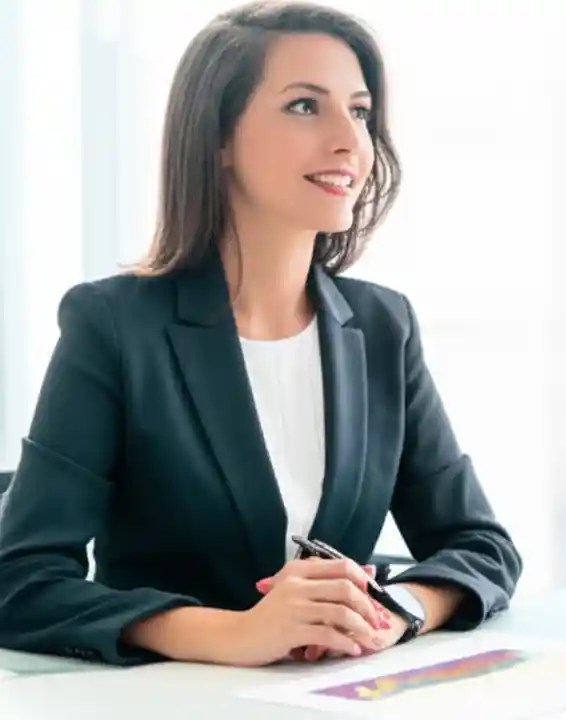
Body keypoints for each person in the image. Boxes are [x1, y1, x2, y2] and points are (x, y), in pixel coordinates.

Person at [0, 1, 521, 668]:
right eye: (305, 106)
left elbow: (482, 547)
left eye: (360, 112)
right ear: (218, 136)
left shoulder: (383, 326)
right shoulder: (113, 324)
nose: (350, 140)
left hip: (334, 696)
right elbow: (24, 581)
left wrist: (397, 611)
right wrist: (233, 633)